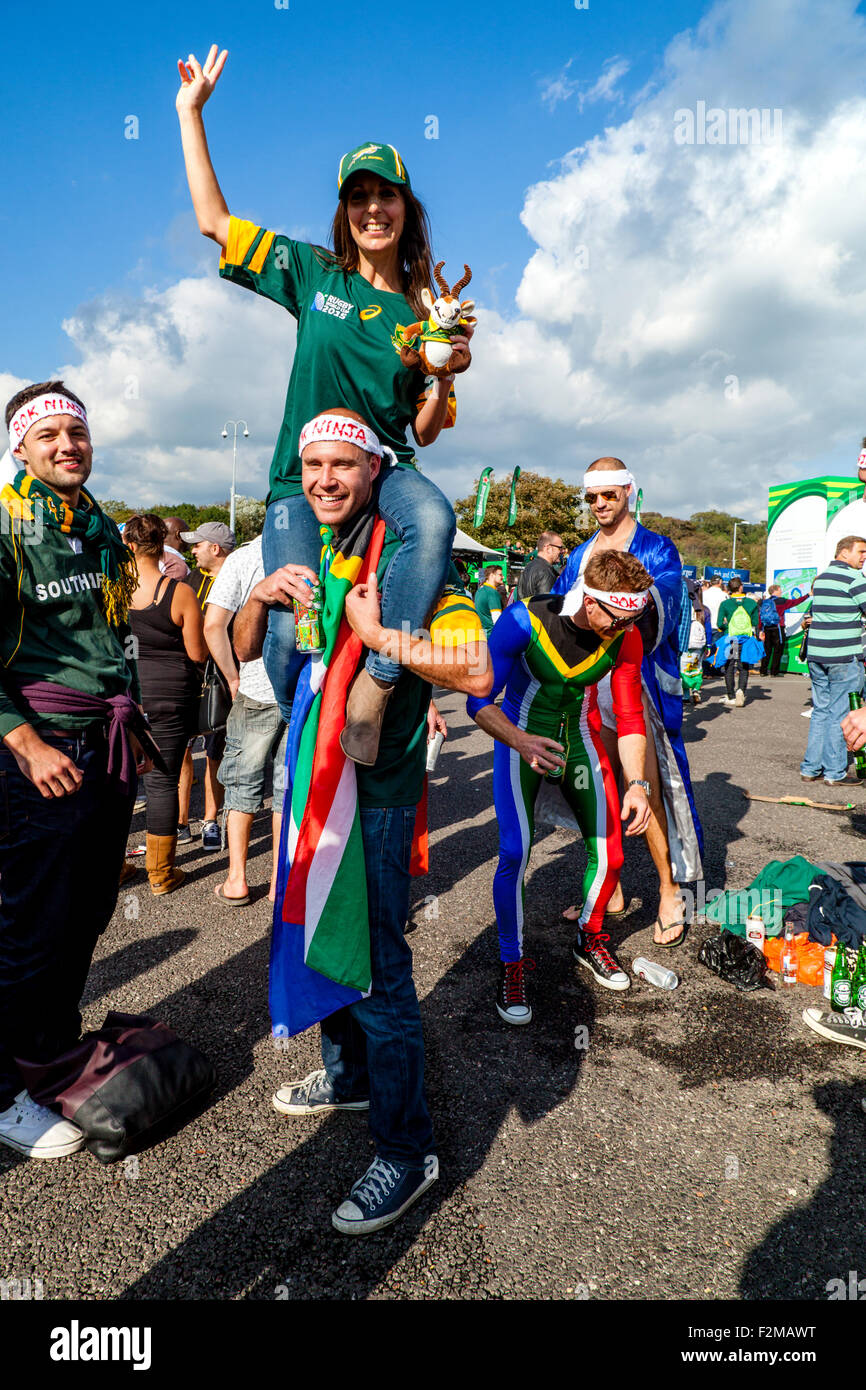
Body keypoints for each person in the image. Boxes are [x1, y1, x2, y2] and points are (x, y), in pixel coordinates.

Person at [233, 406, 490, 1236]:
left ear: (376, 471)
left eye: (342, 466)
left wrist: (383, 637)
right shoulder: (327, 556)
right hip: (314, 790)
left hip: (373, 803)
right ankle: (345, 1076)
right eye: (313, 469)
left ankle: (407, 1149)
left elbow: (475, 665)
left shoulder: (415, 564)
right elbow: (243, 648)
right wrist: (264, 599)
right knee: (321, 938)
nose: (324, 482)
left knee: (378, 968)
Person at [176, 48, 469, 767]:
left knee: (435, 517)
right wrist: (191, 114)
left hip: (382, 472)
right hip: (297, 483)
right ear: (345, 211)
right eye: (358, 196)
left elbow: (423, 430)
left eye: (387, 194)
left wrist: (448, 371)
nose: (374, 208)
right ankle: (304, 735)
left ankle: (380, 680)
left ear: (407, 207)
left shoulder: (424, 310)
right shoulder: (313, 273)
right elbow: (215, 221)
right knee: (291, 624)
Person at [0, 380, 150, 1158]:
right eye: (49, 435)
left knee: (87, 912)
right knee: (28, 927)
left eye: (78, 434)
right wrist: (25, 743)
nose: (67, 446)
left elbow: (110, 636)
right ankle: (4, 1092)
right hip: (40, 751)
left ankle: (49, 1053)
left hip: (104, 746)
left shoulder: (96, 524)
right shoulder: (6, 522)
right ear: (20, 446)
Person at [468, 551, 652, 1023]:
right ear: (588, 600)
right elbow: (478, 701)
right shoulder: (521, 620)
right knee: (515, 853)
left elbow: (630, 716)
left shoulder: (625, 632)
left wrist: (637, 785)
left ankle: (590, 938)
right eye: (616, 618)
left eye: (635, 617)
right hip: (519, 739)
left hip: (580, 743)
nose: (625, 628)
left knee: (611, 853)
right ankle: (511, 963)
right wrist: (519, 739)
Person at [554, 459, 703, 947]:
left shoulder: (658, 549)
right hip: (589, 686)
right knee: (600, 789)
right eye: (592, 498)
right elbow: (560, 612)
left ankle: (669, 890)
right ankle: (610, 888)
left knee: (649, 788)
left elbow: (664, 608)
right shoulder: (579, 555)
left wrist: (612, 618)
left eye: (609, 496)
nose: (599, 505)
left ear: (629, 493)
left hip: (637, 682)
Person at [125, 515, 208, 894]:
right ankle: (160, 874)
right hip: (171, 696)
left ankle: (115, 867)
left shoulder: (110, 592)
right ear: (163, 545)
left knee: (118, 782)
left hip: (124, 697)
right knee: (162, 783)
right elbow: (196, 652)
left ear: (127, 544)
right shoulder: (180, 592)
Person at [205, 534, 287, 906]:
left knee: (242, 783)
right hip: (305, 688)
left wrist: (232, 675)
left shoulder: (245, 556)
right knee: (289, 788)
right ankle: (278, 884)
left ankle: (237, 879)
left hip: (256, 688)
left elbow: (213, 625)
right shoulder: (321, 545)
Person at [177, 520, 236, 848]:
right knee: (183, 750)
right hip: (190, 678)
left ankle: (211, 820)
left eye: (197, 544)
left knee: (216, 750)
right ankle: (181, 821)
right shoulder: (191, 579)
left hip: (225, 681)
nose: (193, 549)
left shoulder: (239, 578)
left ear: (215, 548)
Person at [800, 536, 866, 785]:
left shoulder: (824, 576)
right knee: (841, 714)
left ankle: (810, 768)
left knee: (821, 712)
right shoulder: (854, 578)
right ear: (844, 552)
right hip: (843, 657)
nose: (864, 557)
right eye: (860, 552)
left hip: (818, 657)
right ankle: (835, 772)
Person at [716, 577, 760, 707]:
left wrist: (726, 627)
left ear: (729, 589)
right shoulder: (752, 603)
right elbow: (755, 623)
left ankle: (730, 695)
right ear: (741, 587)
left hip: (731, 639)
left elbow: (719, 624)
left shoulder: (725, 604)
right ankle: (741, 690)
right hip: (746, 639)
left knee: (729, 666)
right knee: (744, 666)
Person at [758, 584, 810, 677]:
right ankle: (774, 672)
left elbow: (760, 617)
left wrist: (760, 629)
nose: (781, 591)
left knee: (767, 650)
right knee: (778, 650)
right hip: (778, 628)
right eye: (780, 589)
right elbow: (796, 602)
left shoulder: (765, 602)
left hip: (767, 628)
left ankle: (763, 670)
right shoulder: (781, 601)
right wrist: (808, 595)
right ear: (776, 591)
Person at [681, 585, 712, 705]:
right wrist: (708, 645)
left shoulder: (685, 607)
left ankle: (685, 693)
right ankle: (696, 690)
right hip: (699, 644)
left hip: (685, 643)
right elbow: (708, 630)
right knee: (696, 667)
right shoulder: (705, 610)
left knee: (684, 668)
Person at [516, 532, 566, 599]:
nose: (562, 551)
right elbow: (545, 605)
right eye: (560, 548)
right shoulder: (546, 572)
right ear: (548, 548)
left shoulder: (528, 567)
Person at [474, 562, 504, 632]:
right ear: (492, 575)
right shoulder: (492, 593)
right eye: (500, 575)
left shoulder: (479, 591)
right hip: (491, 635)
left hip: (481, 633)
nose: (503, 577)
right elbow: (497, 619)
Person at [159, 516, 191, 580]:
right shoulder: (176, 565)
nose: (190, 538)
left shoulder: (151, 556)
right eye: (187, 532)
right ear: (178, 535)